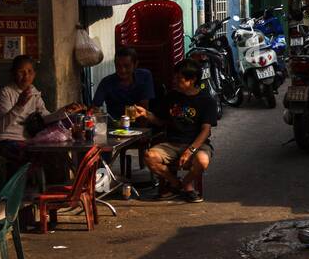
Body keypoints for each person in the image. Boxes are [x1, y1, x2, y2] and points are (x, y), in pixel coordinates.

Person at [136, 59, 217, 203]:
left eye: (179, 79)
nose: (174, 81)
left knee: (202, 161)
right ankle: (175, 183)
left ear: (192, 80)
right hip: (171, 144)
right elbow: (160, 120)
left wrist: (190, 150)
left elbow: (205, 130)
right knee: (149, 156)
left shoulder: (206, 100)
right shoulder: (172, 96)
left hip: (196, 145)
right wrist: (146, 114)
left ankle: (187, 183)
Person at [0, 55, 84, 163]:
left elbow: (45, 118)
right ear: (13, 73)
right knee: (39, 157)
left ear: (34, 74)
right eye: (21, 72)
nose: (26, 76)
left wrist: (66, 110)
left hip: (27, 140)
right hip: (4, 140)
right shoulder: (5, 93)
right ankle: (34, 180)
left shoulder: (33, 92)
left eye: (29, 72)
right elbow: (1, 126)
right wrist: (19, 105)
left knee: (57, 155)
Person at [90, 46, 155, 121]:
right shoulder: (106, 82)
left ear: (135, 64)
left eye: (127, 66)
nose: (122, 70)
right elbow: (94, 108)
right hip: (115, 127)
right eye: (118, 66)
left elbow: (144, 111)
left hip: (139, 126)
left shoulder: (144, 76)